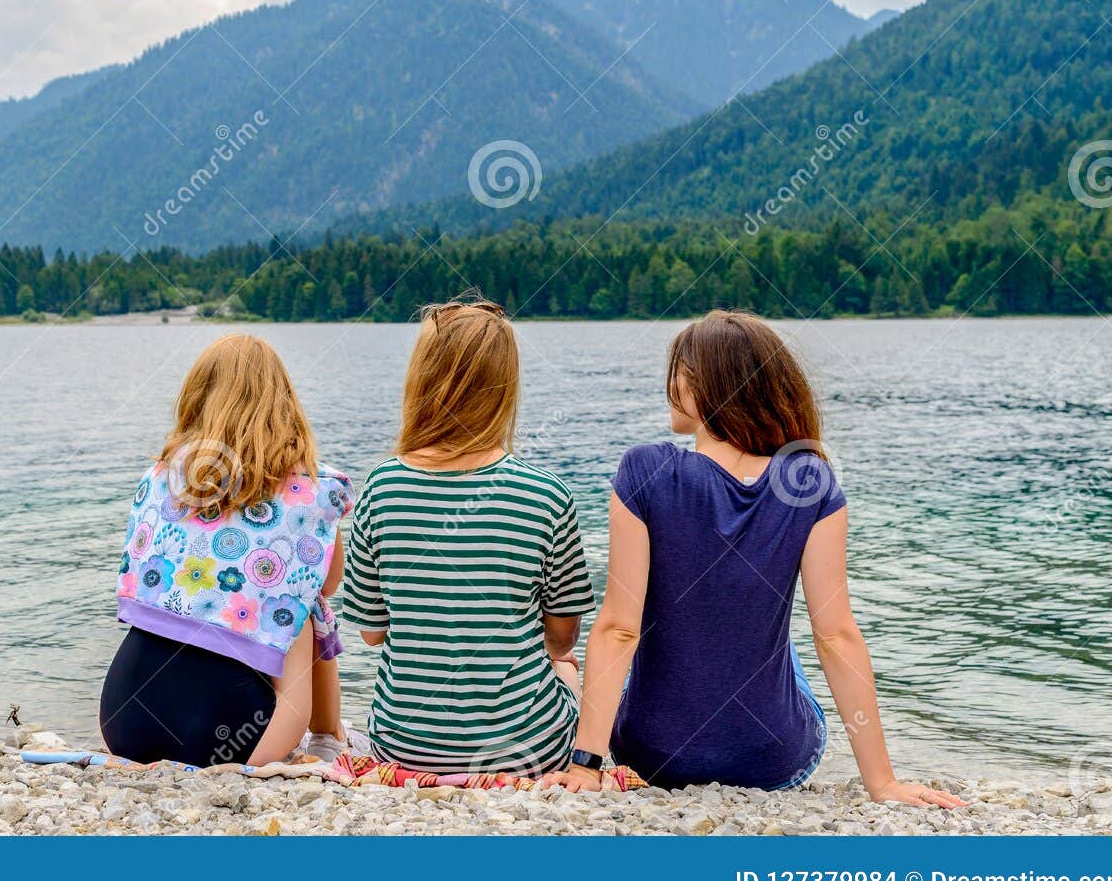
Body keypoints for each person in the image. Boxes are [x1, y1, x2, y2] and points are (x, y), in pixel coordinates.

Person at [551, 310, 965, 807]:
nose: (669, 385)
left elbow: (619, 628)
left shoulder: (645, 469)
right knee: (785, 638)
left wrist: (587, 764)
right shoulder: (810, 481)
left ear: (699, 385)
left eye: (676, 373)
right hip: (774, 759)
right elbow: (837, 636)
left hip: (654, 755)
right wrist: (883, 785)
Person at [342, 296, 596, 774]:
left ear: (421, 381)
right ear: (505, 388)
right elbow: (562, 638)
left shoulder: (379, 487)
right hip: (526, 752)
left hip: (402, 744)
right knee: (566, 668)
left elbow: (372, 633)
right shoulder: (547, 494)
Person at [99, 334, 353, 766]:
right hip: (234, 739)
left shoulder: (161, 476)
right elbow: (328, 583)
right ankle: (327, 737)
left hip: (123, 719)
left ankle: (324, 735)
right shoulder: (312, 489)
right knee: (305, 603)